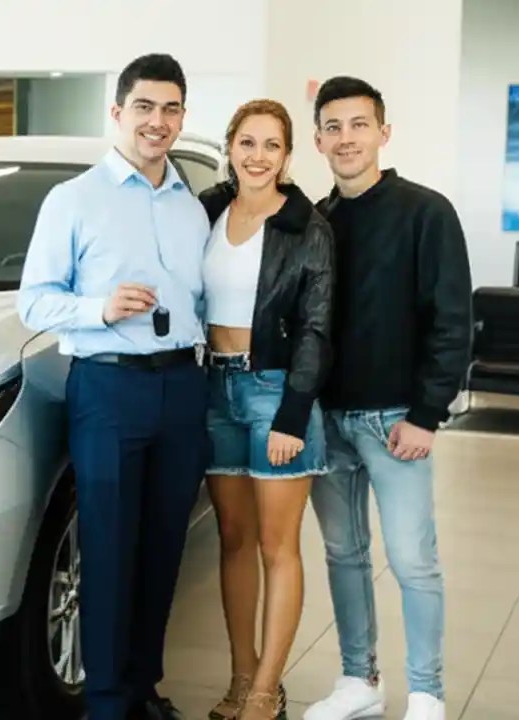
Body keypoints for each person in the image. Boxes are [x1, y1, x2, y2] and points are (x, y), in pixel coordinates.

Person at [17, 53, 210, 720]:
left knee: (163, 546)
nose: (158, 122)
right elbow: (35, 303)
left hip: (184, 388)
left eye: (171, 109)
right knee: (107, 546)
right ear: (118, 112)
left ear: (183, 116)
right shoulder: (73, 200)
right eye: (145, 108)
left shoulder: (192, 206)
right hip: (108, 389)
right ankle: (104, 702)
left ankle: (141, 689)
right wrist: (98, 308)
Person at [303, 77, 472, 720]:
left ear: (383, 132)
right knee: (344, 555)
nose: (346, 138)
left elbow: (452, 319)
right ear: (319, 139)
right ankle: (359, 681)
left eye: (358, 125)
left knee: (412, 561)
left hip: (396, 421)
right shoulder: (318, 220)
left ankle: (426, 691)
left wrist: (428, 413)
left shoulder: (426, 211)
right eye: (333, 127)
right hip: (328, 420)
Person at [196, 99, 336, 720]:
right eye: (247, 143)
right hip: (214, 389)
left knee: (278, 547)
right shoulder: (204, 212)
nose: (257, 156)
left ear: (287, 155)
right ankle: (240, 675)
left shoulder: (306, 225)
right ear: (230, 147)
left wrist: (292, 414)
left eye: (271, 145)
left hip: (275, 388)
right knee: (232, 538)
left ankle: (266, 690)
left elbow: (316, 325)